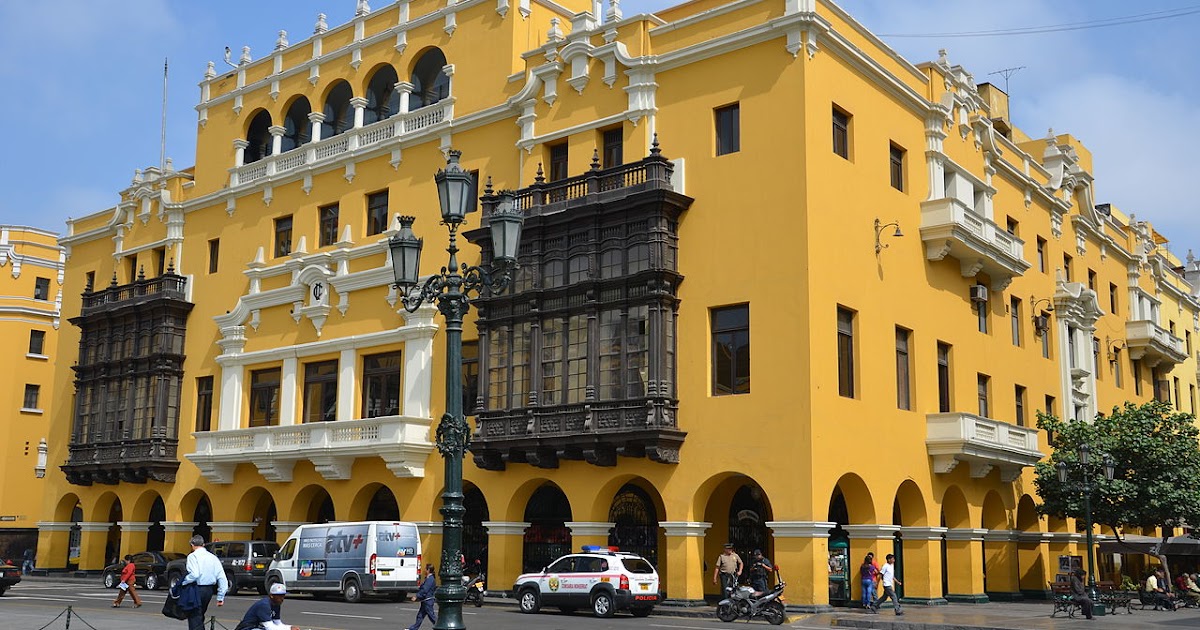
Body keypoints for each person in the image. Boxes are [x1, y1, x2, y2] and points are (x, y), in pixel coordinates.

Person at [180, 535, 229, 630]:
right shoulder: (213, 557)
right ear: (203, 544)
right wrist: (220, 596)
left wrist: (184, 582)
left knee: (194, 616)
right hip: (208, 590)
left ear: (192, 544)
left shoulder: (192, 556)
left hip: (196, 588)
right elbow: (222, 577)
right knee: (200, 614)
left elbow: (194, 574)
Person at [235, 582, 300, 630]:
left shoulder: (276, 605)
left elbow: (278, 623)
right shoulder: (264, 605)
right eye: (279, 596)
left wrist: (290, 627)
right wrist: (289, 629)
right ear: (271, 596)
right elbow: (270, 627)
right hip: (248, 628)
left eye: (283, 595)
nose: (282, 598)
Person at [407, 563, 438, 630]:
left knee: (431, 616)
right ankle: (414, 628)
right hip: (425, 600)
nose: (424, 570)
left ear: (428, 570)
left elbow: (425, 590)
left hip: (428, 600)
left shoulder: (430, 579)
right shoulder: (428, 578)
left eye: (425, 569)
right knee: (420, 616)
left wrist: (416, 596)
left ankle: (439, 626)